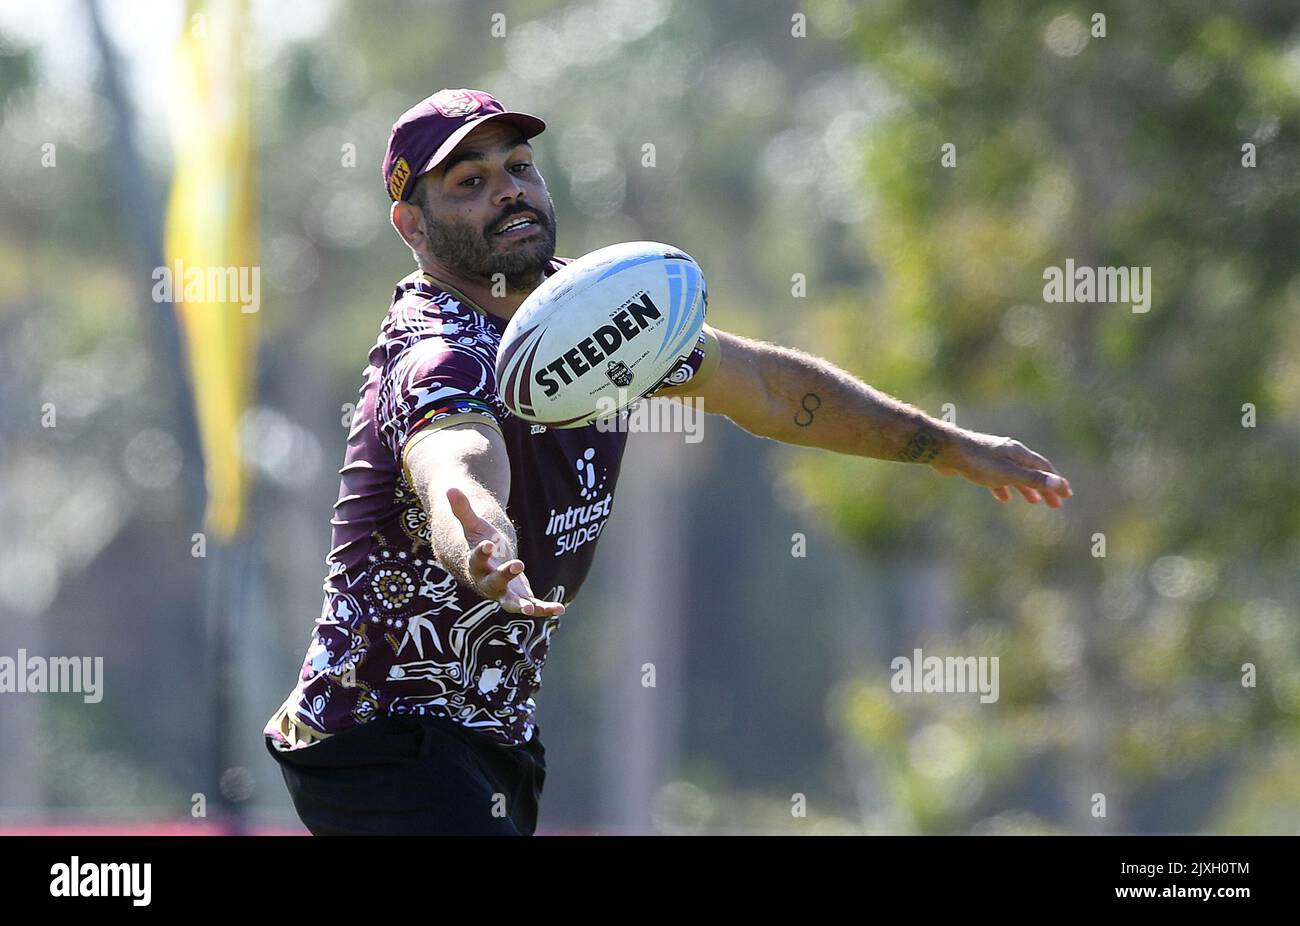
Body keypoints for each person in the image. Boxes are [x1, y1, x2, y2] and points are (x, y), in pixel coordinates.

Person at [263, 87, 1072, 836]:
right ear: (413, 228)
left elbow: (767, 386)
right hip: (379, 732)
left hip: (491, 731)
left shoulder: (598, 313)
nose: (507, 190)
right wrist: (479, 533)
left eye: (518, 168)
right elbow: (455, 461)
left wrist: (950, 446)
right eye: (467, 183)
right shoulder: (437, 351)